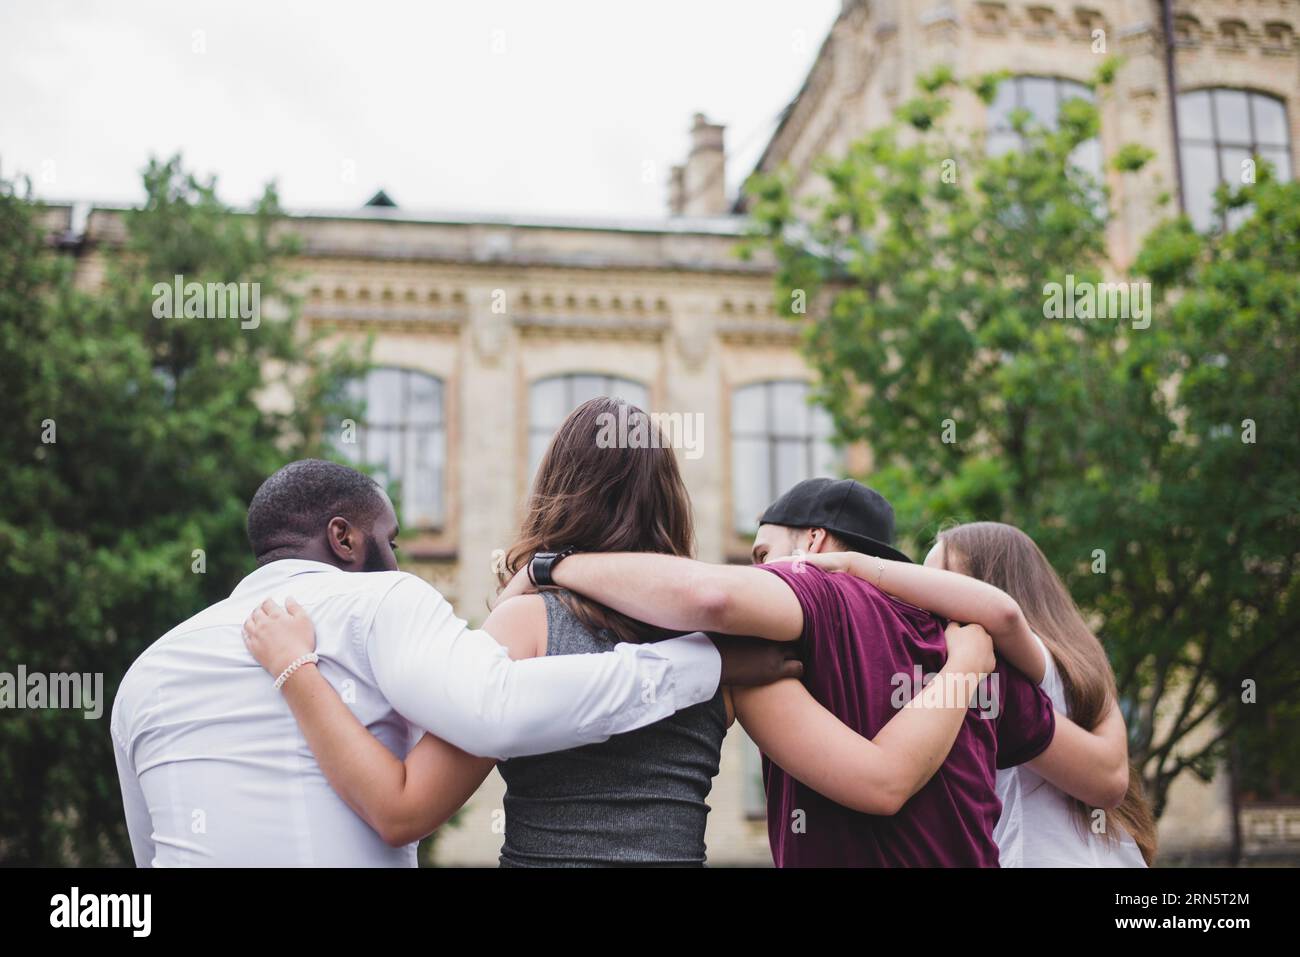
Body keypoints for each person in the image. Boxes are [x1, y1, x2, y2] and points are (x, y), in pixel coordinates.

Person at [242, 401, 997, 865]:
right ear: (669, 502)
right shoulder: (734, 654)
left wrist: (296, 671)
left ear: (555, 490)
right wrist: (962, 665)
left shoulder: (523, 620)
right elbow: (877, 780)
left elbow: (403, 807)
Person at [110, 458, 797, 867]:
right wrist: (703, 663)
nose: (401, 557)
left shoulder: (147, 673)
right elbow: (495, 706)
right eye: (391, 537)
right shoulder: (380, 602)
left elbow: (151, 847)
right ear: (344, 537)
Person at [496, 477, 1063, 866]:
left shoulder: (812, 593)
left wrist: (551, 566)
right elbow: (1093, 768)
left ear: (811, 541)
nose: (759, 573)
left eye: (763, 555)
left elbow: (709, 598)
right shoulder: (966, 631)